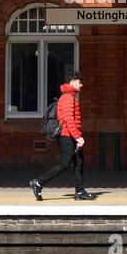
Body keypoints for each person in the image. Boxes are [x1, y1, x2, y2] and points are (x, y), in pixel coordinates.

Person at [30, 71, 93, 201]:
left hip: (71, 136)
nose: (81, 85)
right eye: (80, 82)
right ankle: (38, 182)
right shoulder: (67, 98)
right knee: (65, 164)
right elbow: (69, 120)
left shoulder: (71, 96)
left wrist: (77, 136)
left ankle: (80, 191)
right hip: (66, 136)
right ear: (73, 81)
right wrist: (78, 137)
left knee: (79, 162)